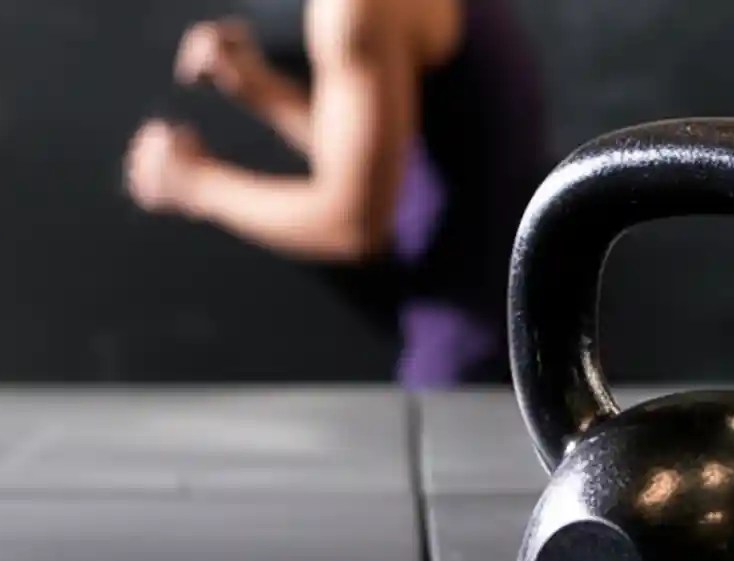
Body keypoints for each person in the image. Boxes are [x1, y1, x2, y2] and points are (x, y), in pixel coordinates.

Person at [124, 0, 548, 388]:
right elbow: (382, 164)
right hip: (529, 339)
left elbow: (352, 224)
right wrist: (258, 88)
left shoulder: (355, 8)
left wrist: (191, 182)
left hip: (470, 363)